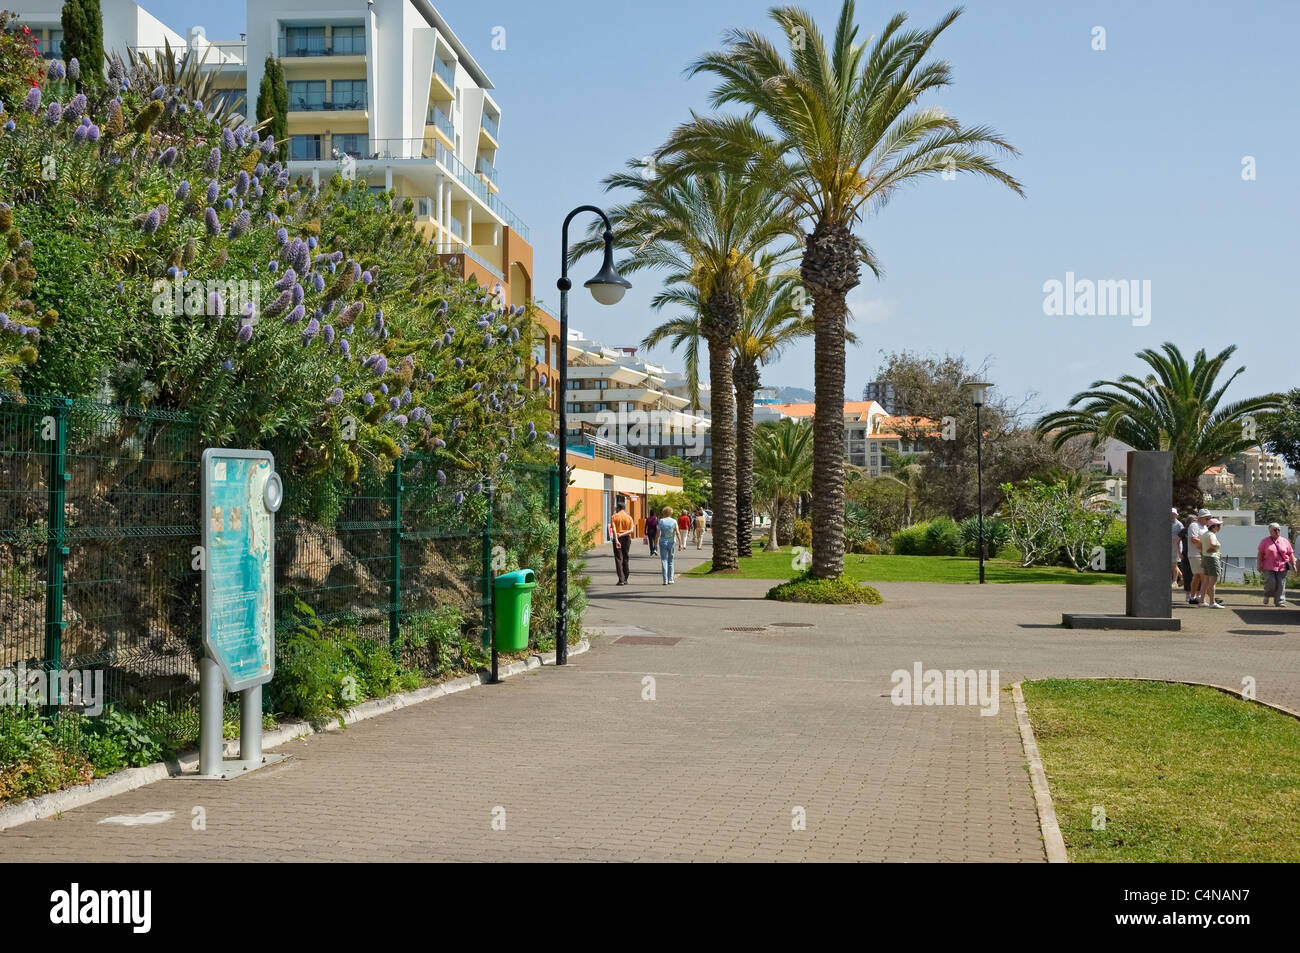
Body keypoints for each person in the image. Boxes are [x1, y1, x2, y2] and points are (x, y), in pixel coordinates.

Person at [1257, 522, 1297, 607]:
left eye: (1279, 529)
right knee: (1271, 583)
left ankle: (1279, 601)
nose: (1277, 531)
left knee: (1281, 584)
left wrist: (1293, 564)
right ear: (1270, 531)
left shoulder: (1285, 541)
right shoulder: (1265, 541)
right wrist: (1259, 564)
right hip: (1268, 566)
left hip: (1282, 566)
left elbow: (1290, 553)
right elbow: (1260, 554)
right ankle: (1267, 595)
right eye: (1275, 530)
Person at [1199, 518, 1225, 608]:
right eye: (1218, 525)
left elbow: (1199, 546)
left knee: (1205, 581)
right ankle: (1212, 602)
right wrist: (1216, 547)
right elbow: (1213, 544)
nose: (1219, 527)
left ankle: (1202, 601)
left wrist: (1207, 550)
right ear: (1213, 526)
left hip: (1205, 558)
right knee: (1212, 582)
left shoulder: (1204, 534)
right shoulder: (1212, 535)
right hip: (1212, 559)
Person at [608, 502, 635, 586]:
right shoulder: (629, 517)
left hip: (618, 537)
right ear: (624, 508)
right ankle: (626, 578)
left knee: (618, 558)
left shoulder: (614, 517)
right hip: (627, 538)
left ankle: (621, 579)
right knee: (626, 557)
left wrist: (616, 540)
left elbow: (614, 530)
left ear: (618, 508)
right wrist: (623, 534)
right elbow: (631, 531)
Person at [1185, 508, 1209, 604]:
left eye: (1209, 518)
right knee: (1204, 577)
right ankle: (1203, 599)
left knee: (1197, 577)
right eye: (1207, 518)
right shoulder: (1194, 525)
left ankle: (1193, 597)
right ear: (1201, 518)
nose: (1208, 520)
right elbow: (1193, 539)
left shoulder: (1205, 527)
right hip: (1195, 555)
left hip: (1201, 554)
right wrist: (1207, 544)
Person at [658, 505, 683, 585]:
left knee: (664, 560)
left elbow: (658, 533)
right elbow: (677, 532)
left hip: (663, 542)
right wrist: (680, 543)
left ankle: (665, 580)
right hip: (671, 542)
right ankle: (671, 579)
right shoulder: (674, 521)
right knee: (671, 561)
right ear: (671, 513)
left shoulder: (661, 521)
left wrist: (654, 543)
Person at [1171, 508, 1183, 588]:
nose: (1172, 515)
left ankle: (1174, 581)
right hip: (1169, 547)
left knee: (1174, 564)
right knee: (1172, 564)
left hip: (1176, 546)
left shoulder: (1179, 525)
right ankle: (1183, 577)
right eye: (1171, 514)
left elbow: (1183, 535)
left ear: (1176, 515)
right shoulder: (1167, 523)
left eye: (1173, 514)